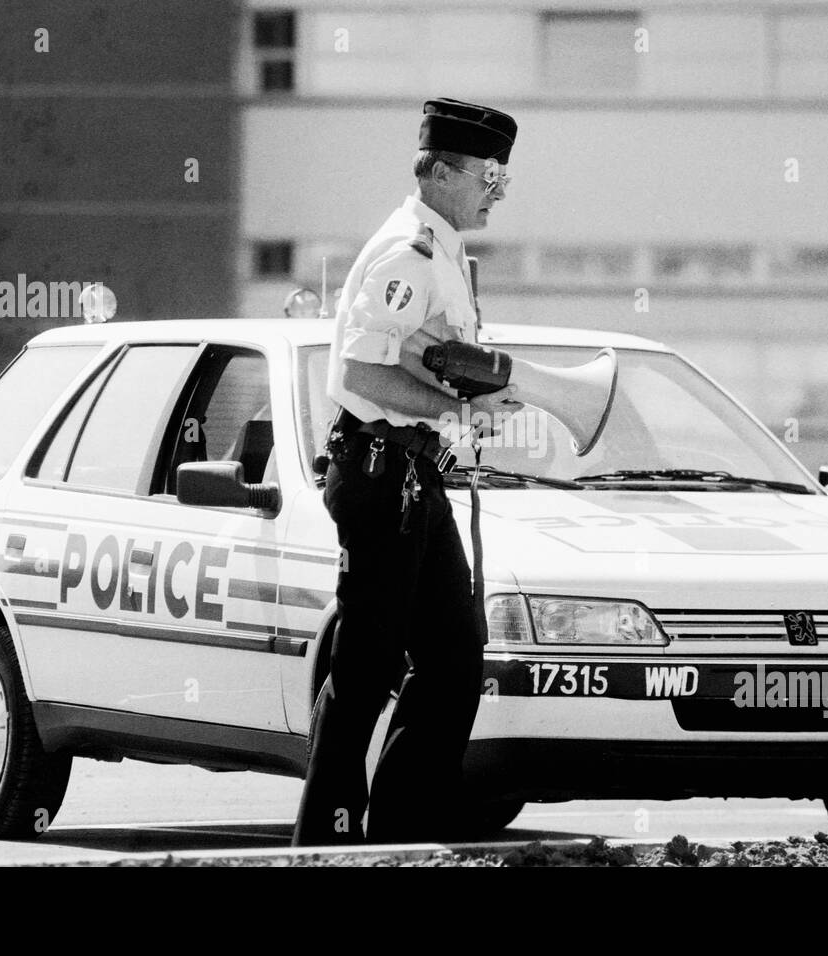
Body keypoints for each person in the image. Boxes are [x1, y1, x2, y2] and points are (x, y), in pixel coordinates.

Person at [291, 98, 522, 846]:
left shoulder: (443, 250)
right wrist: (453, 413)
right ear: (445, 171)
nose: (498, 190)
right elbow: (359, 370)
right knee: (367, 667)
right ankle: (325, 838)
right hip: (382, 471)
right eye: (490, 175)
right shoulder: (409, 254)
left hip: (411, 477)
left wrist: (460, 399)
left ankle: (400, 836)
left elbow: (415, 361)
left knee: (454, 661)